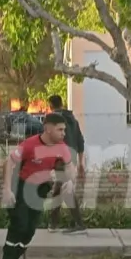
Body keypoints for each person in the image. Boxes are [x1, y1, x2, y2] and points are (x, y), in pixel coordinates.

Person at [0, 113, 73, 259]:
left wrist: (70, 181)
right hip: (23, 187)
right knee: (20, 225)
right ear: (47, 129)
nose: (63, 133)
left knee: (30, 230)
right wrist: (7, 189)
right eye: (60, 129)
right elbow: (9, 163)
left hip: (40, 189)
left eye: (64, 130)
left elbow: (69, 165)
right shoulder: (30, 144)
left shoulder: (61, 147)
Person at [46, 94, 87, 234]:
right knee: (59, 189)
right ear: (61, 103)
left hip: (60, 160)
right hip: (72, 159)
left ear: (51, 105)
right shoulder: (73, 120)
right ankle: (53, 223)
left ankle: (77, 223)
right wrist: (81, 163)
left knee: (64, 190)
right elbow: (81, 142)